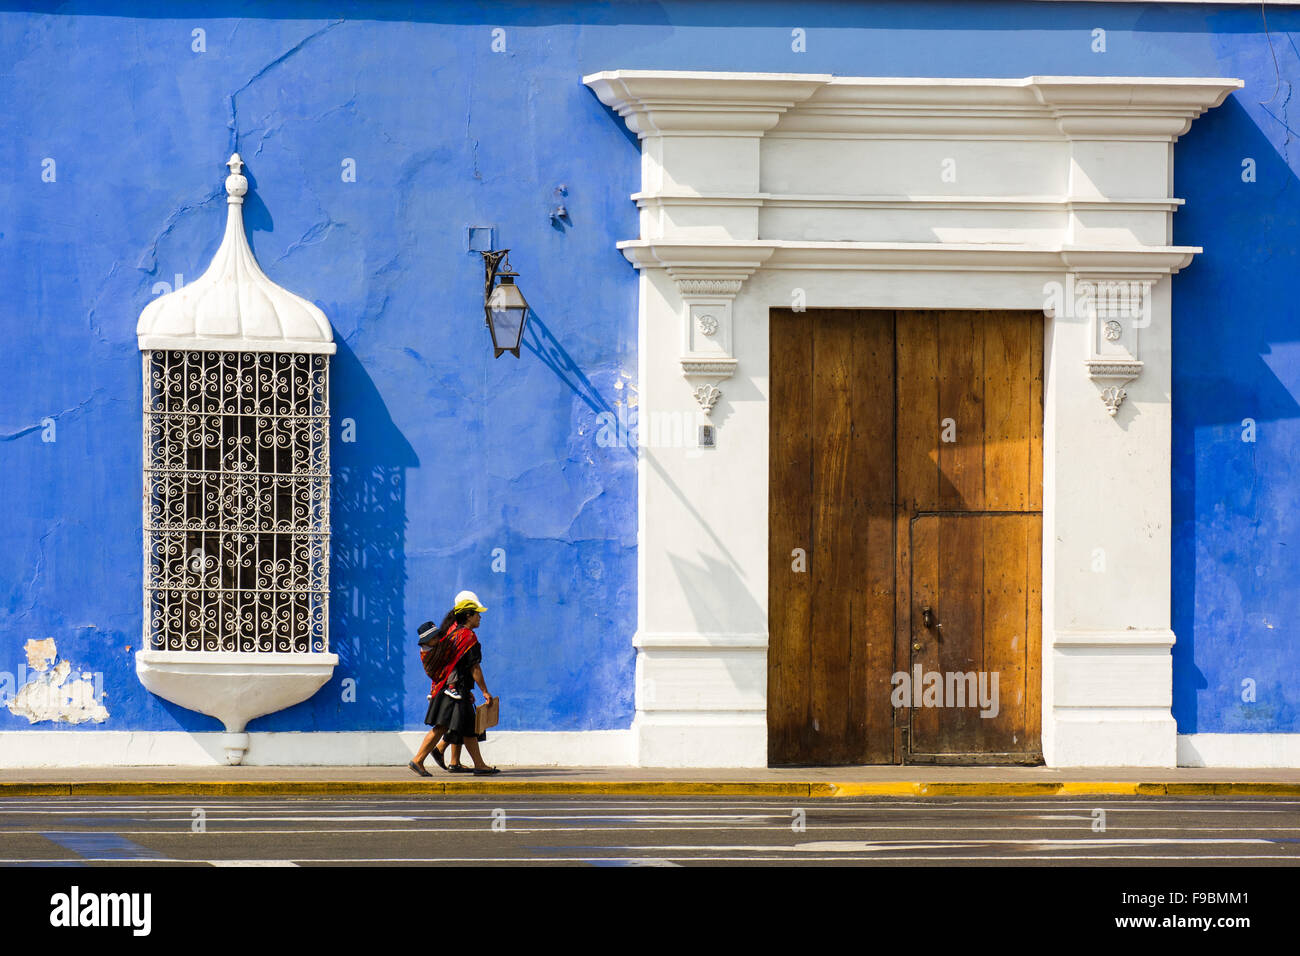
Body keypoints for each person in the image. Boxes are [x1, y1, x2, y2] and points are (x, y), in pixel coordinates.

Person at [408, 590, 500, 776]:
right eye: (477, 614)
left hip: (453, 689)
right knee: (442, 727)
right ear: (468, 615)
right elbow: (474, 668)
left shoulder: (452, 632)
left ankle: (476, 764)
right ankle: (418, 759)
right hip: (453, 692)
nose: (480, 618)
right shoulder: (467, 637)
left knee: (467, 729)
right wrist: (485, 691)